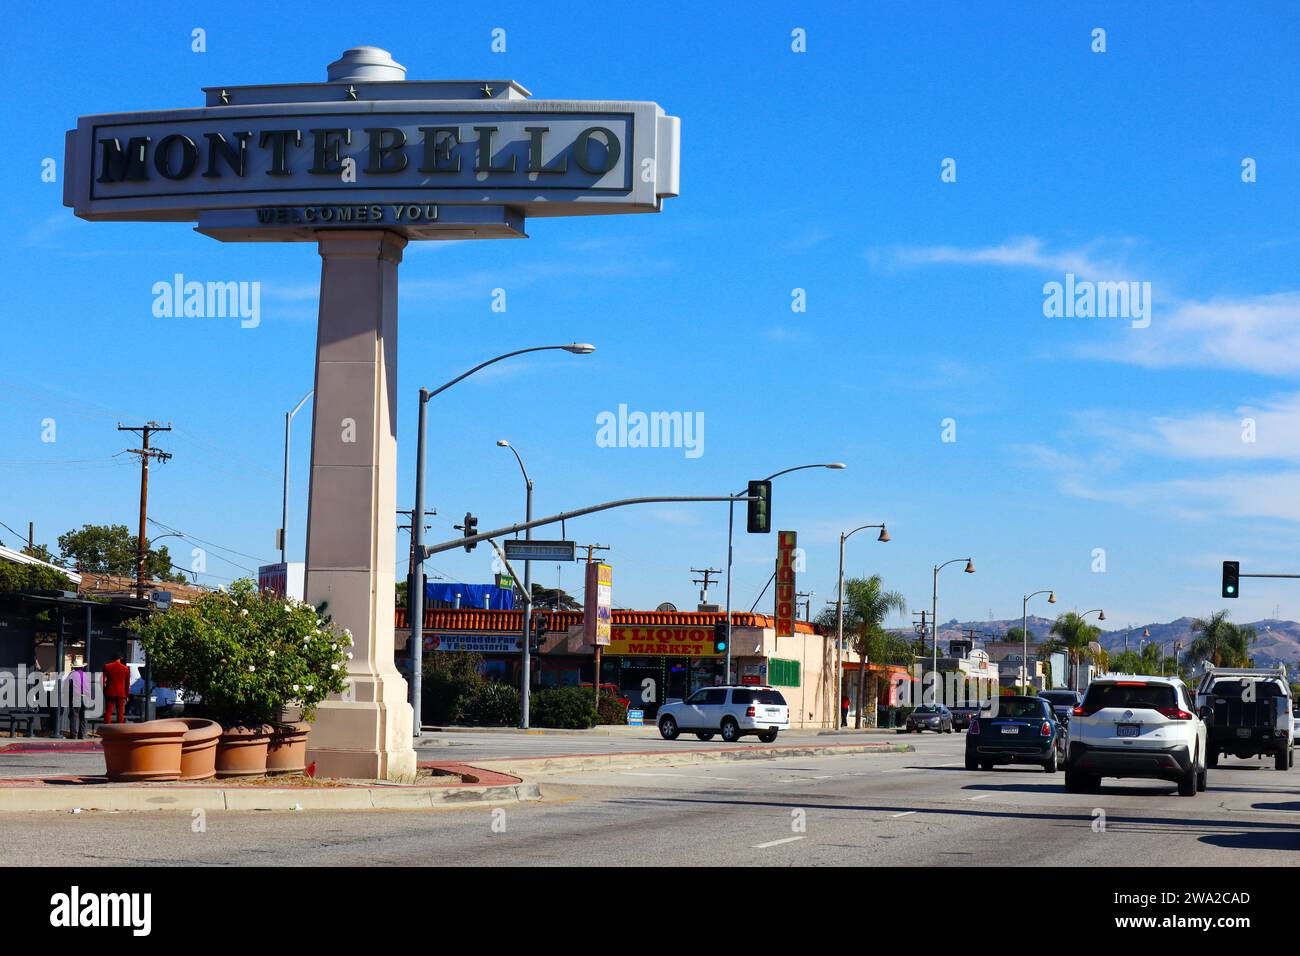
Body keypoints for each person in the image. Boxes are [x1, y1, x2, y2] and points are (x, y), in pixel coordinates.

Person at [103, 655, 130, 724]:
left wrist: (104, 691)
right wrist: (127, 695)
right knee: (120, 713)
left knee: (108, 712)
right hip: (121, 693)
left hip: (110, 692)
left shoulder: (107, 666)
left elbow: (102, 681)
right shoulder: (125, 668)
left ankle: (107, 729)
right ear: (121, 658)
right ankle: (119, 730)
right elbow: (127, 683)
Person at [67, 664, 91, 738]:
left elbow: (67, 685)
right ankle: (82, 735)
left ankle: (73, 735)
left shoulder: (72, 674)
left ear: (74, 667)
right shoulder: (86, 675)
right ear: (82, 667)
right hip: (86, 697)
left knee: (74, 715)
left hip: (76, 697)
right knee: (83, 717)